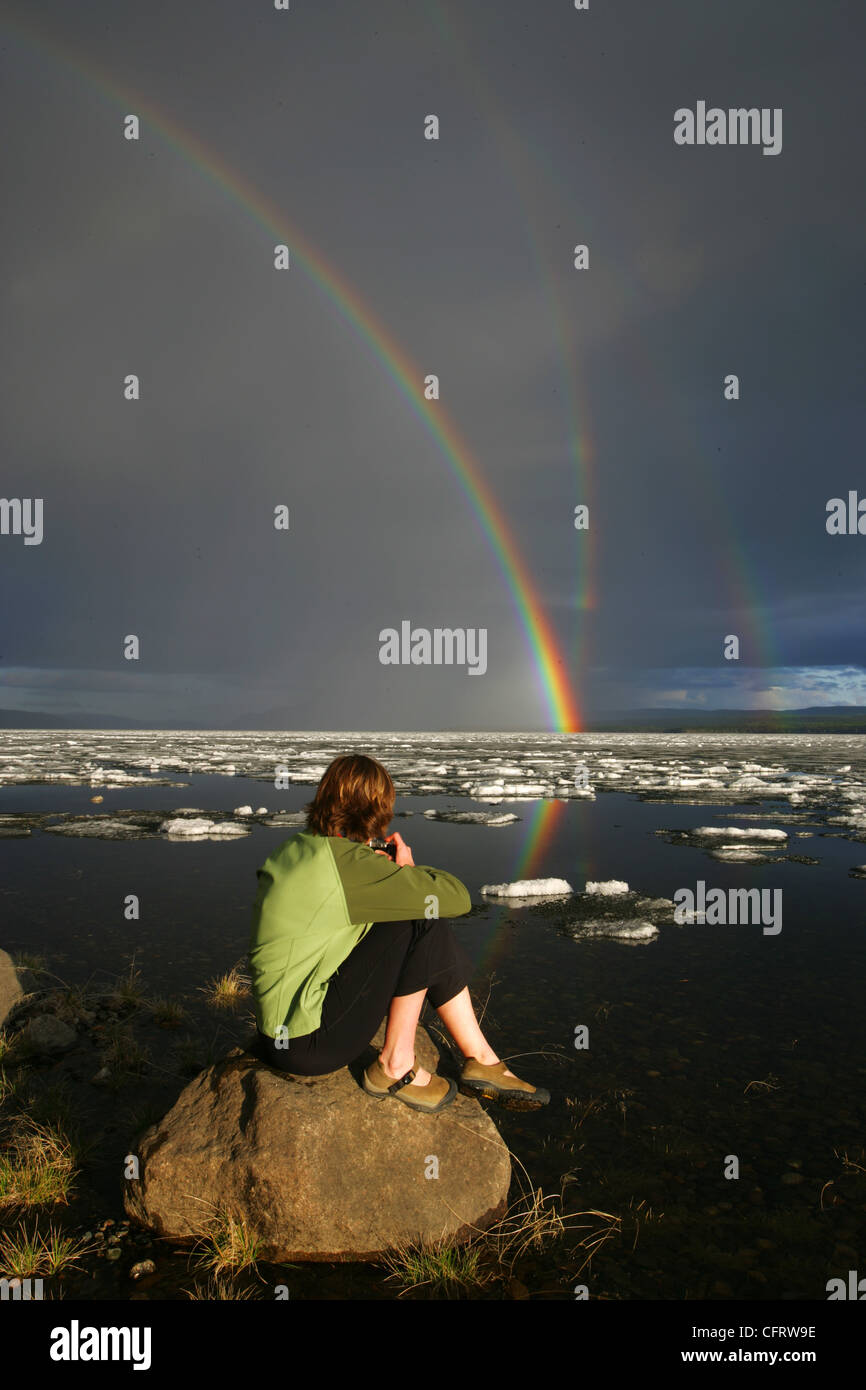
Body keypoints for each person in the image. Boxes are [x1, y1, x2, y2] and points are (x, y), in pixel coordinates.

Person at [247, 753, 549, 1114]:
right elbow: (456, 897)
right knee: (421, 917)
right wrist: (406, 869)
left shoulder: (297, 850)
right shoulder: (347, 866)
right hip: (309, 1046)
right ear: (375, 808)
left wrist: (376, 869)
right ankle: (397, 1065)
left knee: (415, 915)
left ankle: (481, 1058)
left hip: (280, 1035)